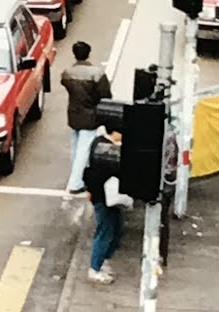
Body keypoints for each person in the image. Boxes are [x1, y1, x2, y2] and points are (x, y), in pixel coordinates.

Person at [82, 128, 134, 284]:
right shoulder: (106, 150)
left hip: (106, 198)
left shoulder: (99, 144)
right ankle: (95, 268)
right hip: (103, 199)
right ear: (115, 132)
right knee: (105, 232)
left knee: (116, 230)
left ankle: (102, 261)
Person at [60, 41, 112, 196]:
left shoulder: (67, 73)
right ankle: (76, 182)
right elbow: (106, 95)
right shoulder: (97, 73)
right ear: (88, 53)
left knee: (76, 146)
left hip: (73, 113)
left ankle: (76, 177)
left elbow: (65, 84)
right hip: (90, 116)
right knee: (84, 149)